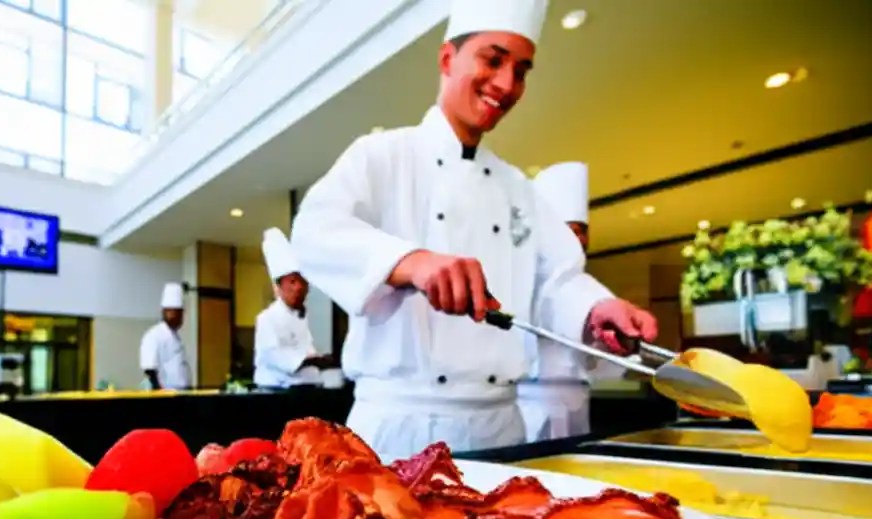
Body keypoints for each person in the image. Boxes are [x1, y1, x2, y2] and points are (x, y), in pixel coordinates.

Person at [290, 0, 657, 459]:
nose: (506, 84)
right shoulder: (383, 154)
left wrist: (597, 308)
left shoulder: (519, 189)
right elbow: (314, 229)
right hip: (399, 428)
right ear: (447, 59)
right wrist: (411, 263)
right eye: (493, 59)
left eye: (522, 70)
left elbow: (556, 281)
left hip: (499, 428)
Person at [517, 161, 626, 440]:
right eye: (567, 230)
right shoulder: (517, 277)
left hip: (576, 401)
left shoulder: (589, 289)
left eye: (581, 230)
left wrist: (613, 344)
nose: (576, 238)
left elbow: (606, 366)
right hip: (526, 404)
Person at [253, 228, 335, 389]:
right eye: (292, 281)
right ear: (279, 285)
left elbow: (305, 349)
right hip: (275, 392)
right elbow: (274, 355)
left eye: (303, 282)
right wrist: (308, 360)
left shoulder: (302, 317)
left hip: (304, 389)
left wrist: (321, 361)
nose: (299, 287)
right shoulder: (267, 318)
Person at [139, 282, 190, 390]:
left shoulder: (176, 337)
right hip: (165, 397)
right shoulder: (153, 335)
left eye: (181, 314)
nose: (181, 318)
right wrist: (161, 394)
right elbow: (150, 369)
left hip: (181, 395)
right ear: (166, 312)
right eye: (177, 313)